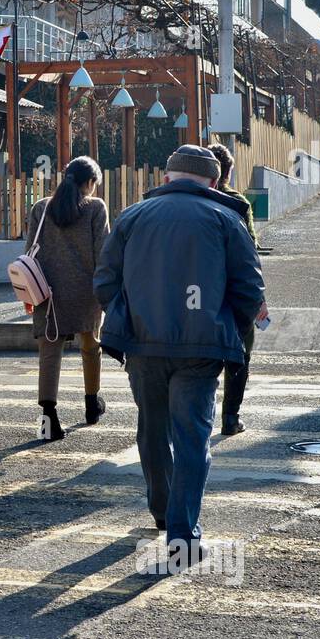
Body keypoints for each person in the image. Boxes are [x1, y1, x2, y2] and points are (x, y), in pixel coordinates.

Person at [94, 145, 264, 568]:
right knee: (192, 438)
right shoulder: (227, 219)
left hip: (143, 345)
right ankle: (183, 535)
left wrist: (130, 314)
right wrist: (227, 324)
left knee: (152, 429)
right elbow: (249, 289)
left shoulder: (132, 217)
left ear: (167, 178)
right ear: (212, 181)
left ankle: (161, 508)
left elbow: (104, 280)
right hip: (201, 348)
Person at [24, 156, 110, 441]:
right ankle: (91, 404)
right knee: (90, 346)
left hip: (47, 292)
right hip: (85, 292)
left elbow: (30, 250)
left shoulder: (41, 207)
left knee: (49, 354)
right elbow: (103, 254)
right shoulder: (95, 208)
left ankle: (49, 418)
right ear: (89, 183)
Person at [207, 143, 268, 435]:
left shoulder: (192, 199)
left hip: (201, 287)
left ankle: (201, 412)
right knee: (241, 352)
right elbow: (251, 253)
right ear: (228, 172)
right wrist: (260, 297)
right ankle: (231, 417)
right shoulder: (238, 203)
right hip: (235, 289)